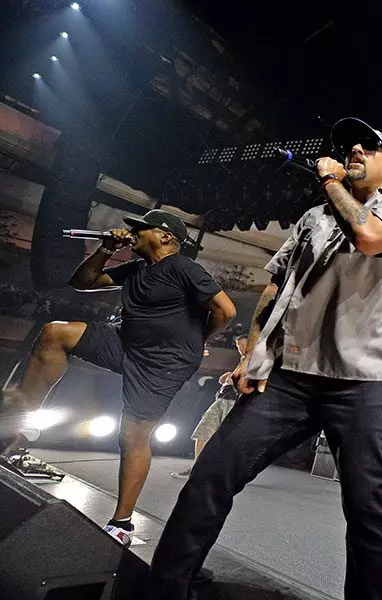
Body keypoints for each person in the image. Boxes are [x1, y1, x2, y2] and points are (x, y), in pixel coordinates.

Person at [145, 118, 382, 600]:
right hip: (290, 378)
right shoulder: (314, 218)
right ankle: (165, 587)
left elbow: (368, 237)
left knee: (368, 507)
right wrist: (254, 354)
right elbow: (277, 288)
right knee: (212, 473)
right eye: (348, 145)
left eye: (370, 146)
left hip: (369, 381)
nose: (354, 149)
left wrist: (331, 179)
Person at [0, 209, 236, 546]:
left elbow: (225, 310)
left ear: (166, 237)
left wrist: (196, 341)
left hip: (161, 363)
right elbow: (82, 283)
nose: (135, 232)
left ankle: (122, 522)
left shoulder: (184, 268)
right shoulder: (139, 267)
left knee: (132, 437)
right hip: (124, 341)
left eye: (143, 228)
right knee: (56, 334)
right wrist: (106, 249)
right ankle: (16, 425)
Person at [170, 334, 248, 479]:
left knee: (228, 438)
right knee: (203, 431)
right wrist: (228, 376)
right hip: (222, 399)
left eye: (244, 345)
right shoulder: (241, 361)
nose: (241, 349)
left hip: (235, 403)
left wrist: (234, 378)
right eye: (239, 346)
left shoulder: (254, 362)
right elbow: (226, 379)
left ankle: (228, 473)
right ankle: (196, 468)